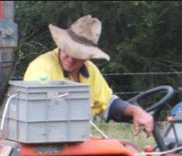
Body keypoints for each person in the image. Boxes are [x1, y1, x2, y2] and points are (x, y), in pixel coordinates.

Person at [23, 15, 154, 136]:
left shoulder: (90, 71)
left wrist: (135, 111)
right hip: (50, 141)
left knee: (130, 147)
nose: (70, 59)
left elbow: (108, 104)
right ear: (61, 45)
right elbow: (36, 114)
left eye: (77, 56)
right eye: (66, 51)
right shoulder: (41, 68)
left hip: (78, 140)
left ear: (87, 57)